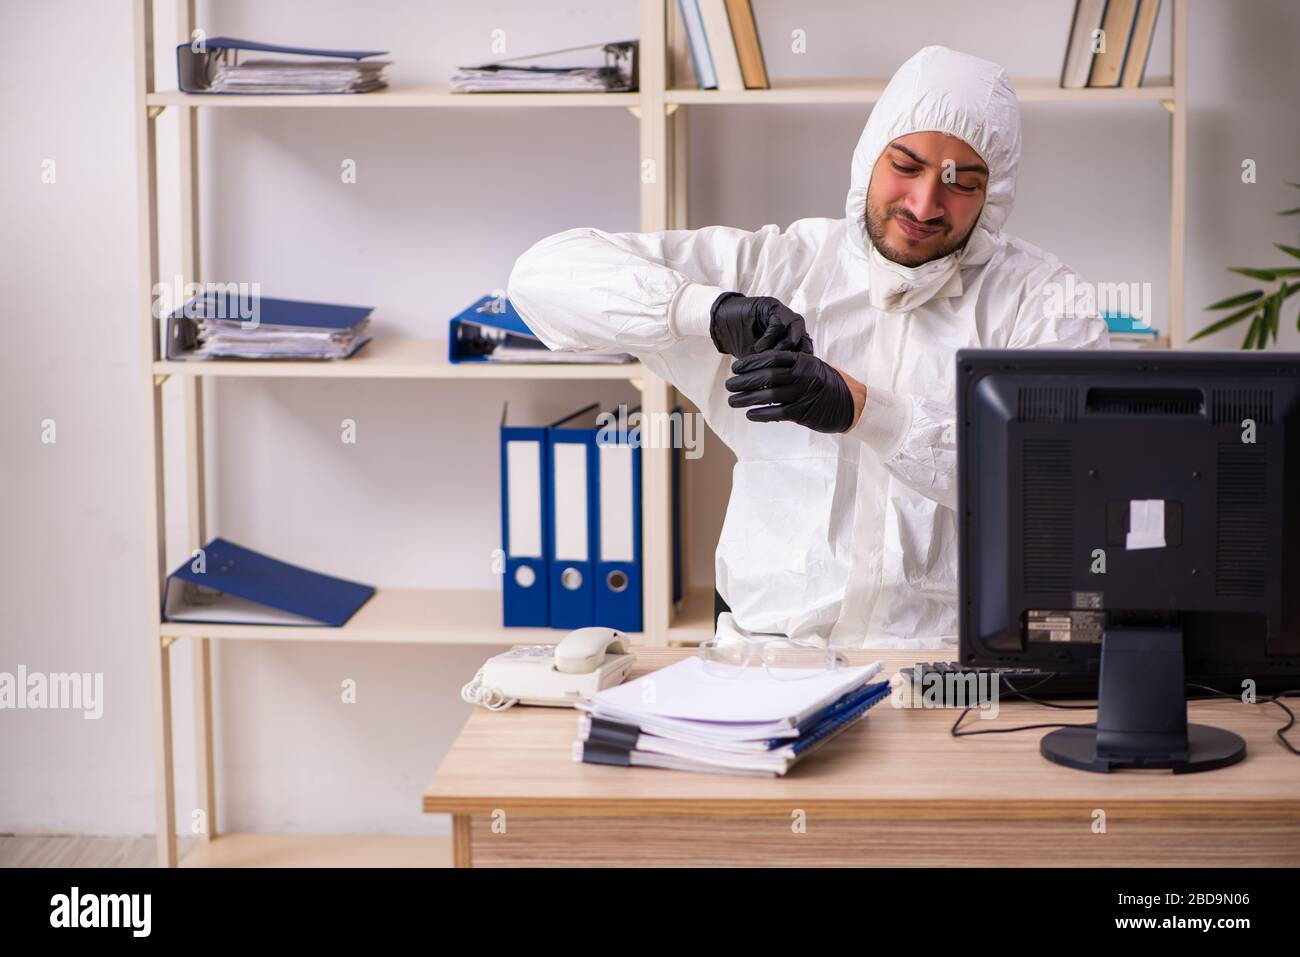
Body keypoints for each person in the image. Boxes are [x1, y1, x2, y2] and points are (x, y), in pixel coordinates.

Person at [507, 46, 1109, 649]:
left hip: (946, 670)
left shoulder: (1043, 302)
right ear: (871, 156)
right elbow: (540, 277)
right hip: (769, 660)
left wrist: (865, 413)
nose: (925, 205)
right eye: (906, 165)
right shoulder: (780, 266)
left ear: (993, 195)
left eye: (961, 183)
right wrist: (709, 312)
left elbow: (1064, 485)